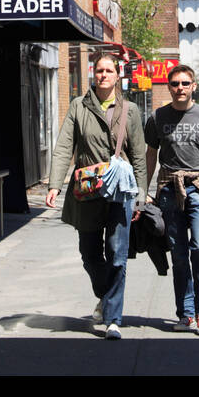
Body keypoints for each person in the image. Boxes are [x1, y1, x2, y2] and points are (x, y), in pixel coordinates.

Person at [47, 54, 147, 339]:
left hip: (120, 193)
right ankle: (105, 295)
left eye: (108, 71)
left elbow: (139, 156)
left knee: (117, 255)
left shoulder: (130, 110)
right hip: (88, 191)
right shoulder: (79, 106)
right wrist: (54, 184)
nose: (103, 75)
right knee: (89, 254)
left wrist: (141, 195)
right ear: (94, 74)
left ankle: (113, 319)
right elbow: (65, 146)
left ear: (117, 76)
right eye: (99, 70)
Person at [145, 63, 199, 337]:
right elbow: (150, 155)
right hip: (169, 189)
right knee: (179, 255)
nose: (179, 88)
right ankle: (186, 313)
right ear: (169, 87)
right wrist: (144, 190)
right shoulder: (157, 118)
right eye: (174, 84)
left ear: (194, 86)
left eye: (184, 83)